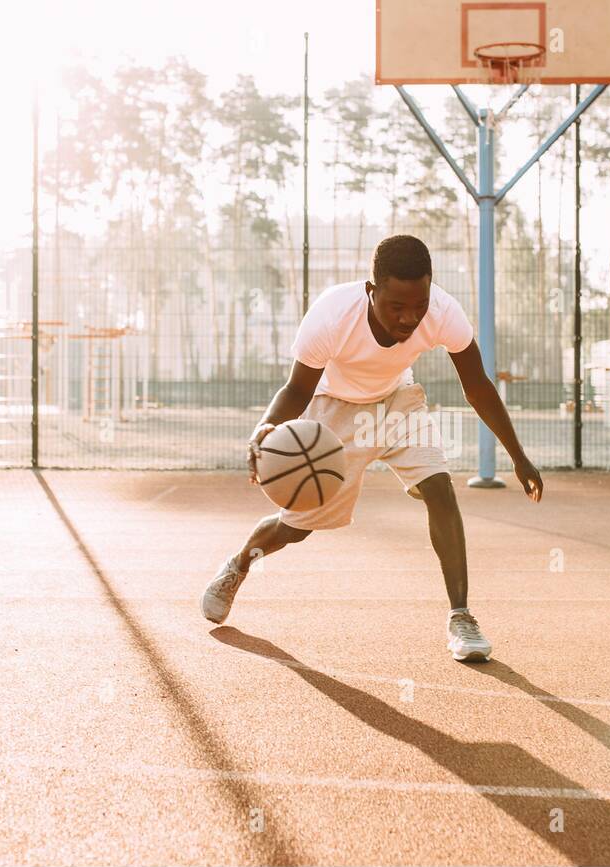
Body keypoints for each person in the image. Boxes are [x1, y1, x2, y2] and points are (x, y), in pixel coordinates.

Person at [200, 234, 542, 662]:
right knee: (297, 528)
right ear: (371, 290)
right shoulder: (331, 315)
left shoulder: (443, 312)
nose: (409, 318)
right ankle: (238, 565)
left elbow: (477, 387)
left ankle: (461, 616)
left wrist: (518, 455)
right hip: (336, 410)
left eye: (418, 304)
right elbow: (297, 388)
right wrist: (265, 427)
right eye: (396, 306)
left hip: (397, 401)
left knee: (440, 489)